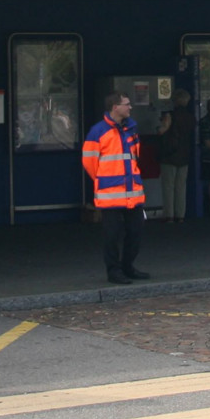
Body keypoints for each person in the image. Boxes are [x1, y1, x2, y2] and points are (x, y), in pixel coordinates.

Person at [82, 92, 149, 284]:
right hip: (111, 194)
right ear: (115, 107)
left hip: (132, 193)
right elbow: (89, 162)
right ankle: (114, 271)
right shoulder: (98, 131)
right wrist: (103, 180)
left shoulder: (131, 128)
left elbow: (135, 156)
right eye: (126, 104)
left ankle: (127, 266)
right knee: (111, 236)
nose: (130, 107)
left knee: (135, 232)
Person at [158, 89, 195, 222]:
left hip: (169, 155)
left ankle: (169, 215)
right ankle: (180, 215)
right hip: (184, 155)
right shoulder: (191, 117)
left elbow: (162, 131)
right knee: (181, 187)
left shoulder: (170, 116)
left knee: (169, 186)